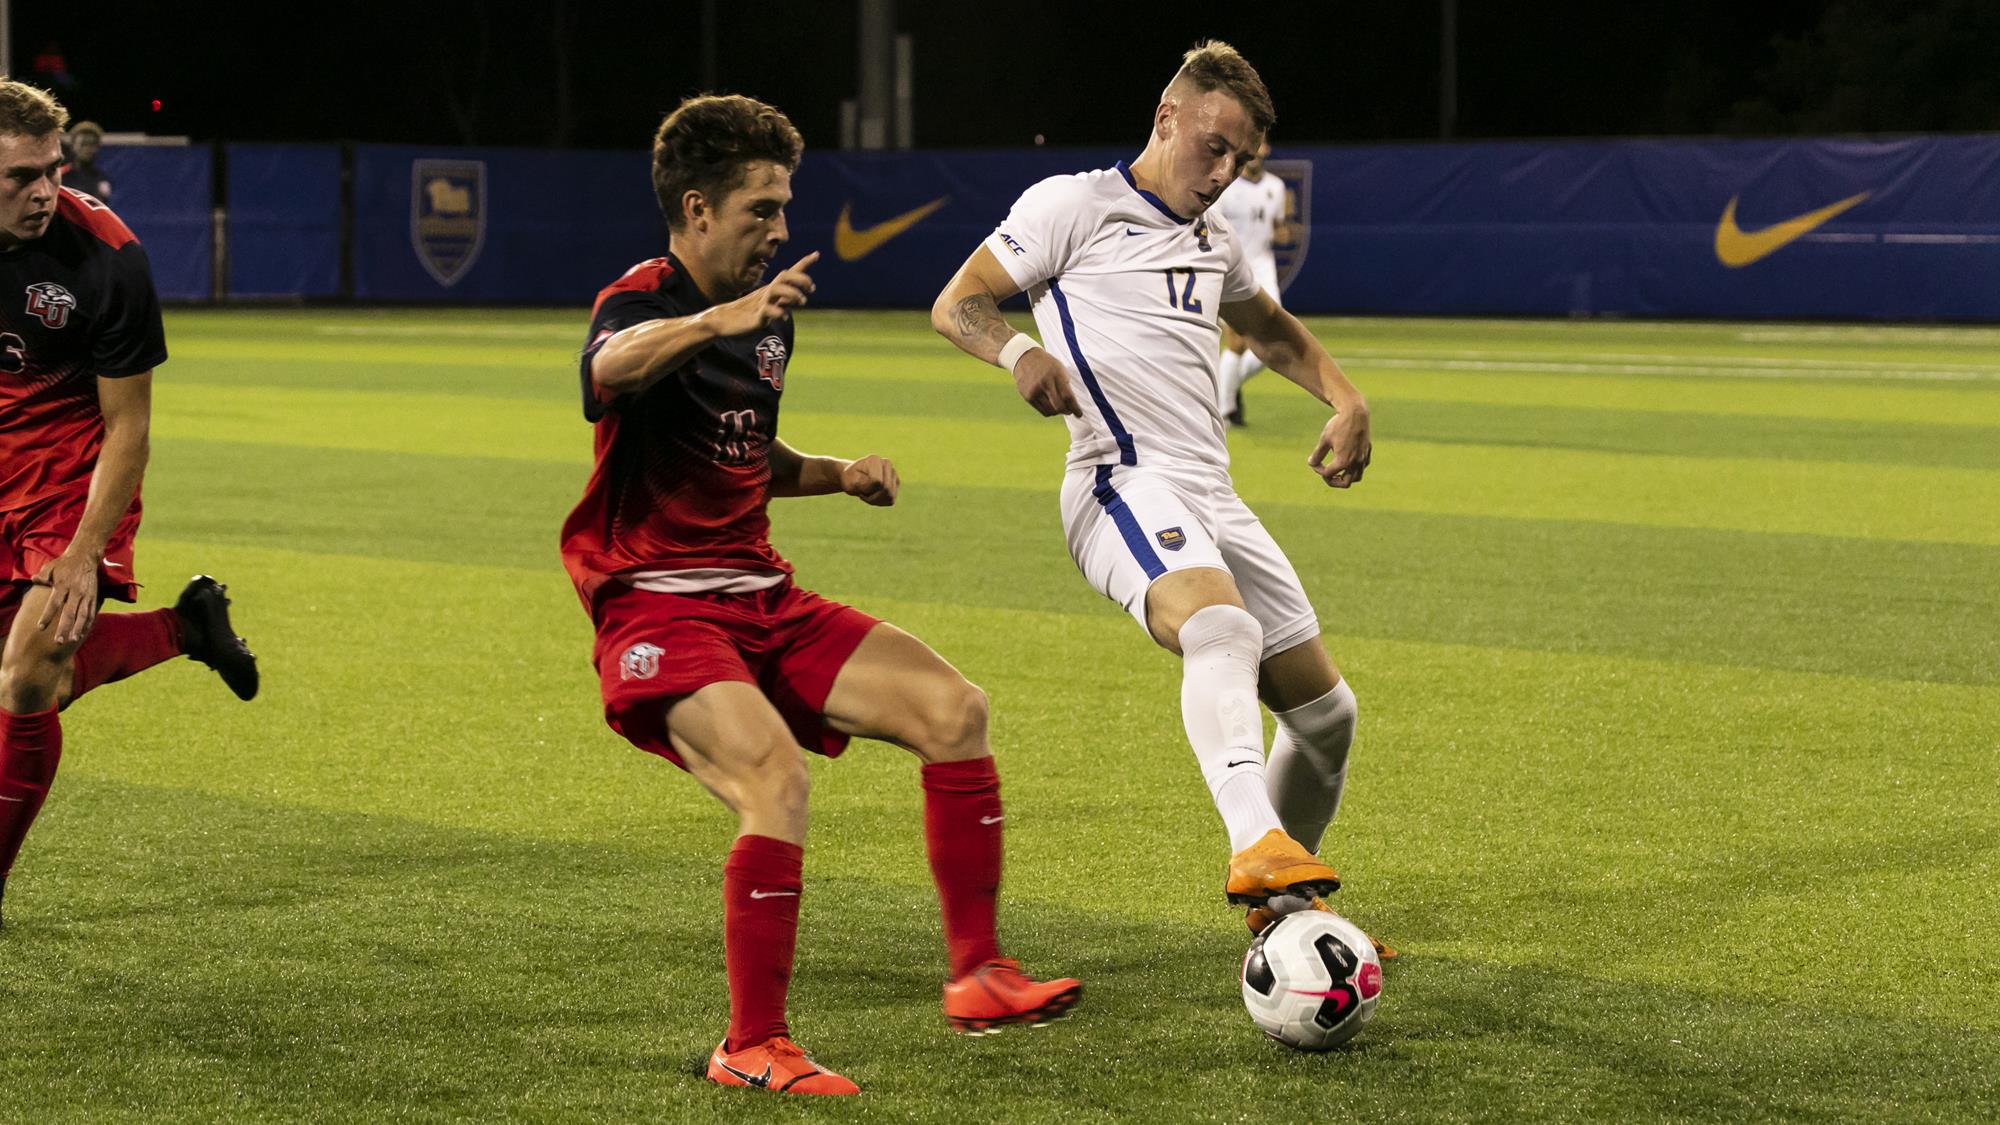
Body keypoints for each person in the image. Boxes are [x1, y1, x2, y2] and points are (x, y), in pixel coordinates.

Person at [561, 93, 1080, 1098]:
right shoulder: (641, 298)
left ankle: (978, 974)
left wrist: (838, 472)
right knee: (776, 781)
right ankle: (750, 1044)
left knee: (954, 710)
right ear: (698, 210)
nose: (781, 227)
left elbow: (744, 453)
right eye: (761, 208)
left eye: (784, 205)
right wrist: (715, 319)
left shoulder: (768, 325)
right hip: (657, 607)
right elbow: (607, 372)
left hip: (761, 597)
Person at [932, 43, 1390, 952]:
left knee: (1325, 719)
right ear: (1167, 116)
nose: (1223, 175)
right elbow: (960, 301)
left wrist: (1347, 397)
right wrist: (1018, 353)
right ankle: (1257, 844)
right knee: (1221, 629)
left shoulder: (1213, 241)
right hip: (1118, 479)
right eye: (1214, 148)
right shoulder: (1074, 205)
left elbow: (1267, 327)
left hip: (1212, 493)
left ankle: (1284, 906)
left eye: (1240, 161)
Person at [0, 81, 258, 928]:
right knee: (31, 672)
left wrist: (82, 553)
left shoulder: (107, 258)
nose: (44, 189)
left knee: (26, 676)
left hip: (70, 477)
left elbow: (129, 428)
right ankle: (187, 627)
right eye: (21, 176)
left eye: (52, 169)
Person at [1211, 139, 1286, 426]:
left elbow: (1277, 226)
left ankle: (1221, 390)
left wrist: (1282, 233)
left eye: (1260, 144)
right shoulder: (1226, 187)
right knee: (1237, 341)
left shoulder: (1276, 187)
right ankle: (1224, 411)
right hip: (1231, 269)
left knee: (1276, 343)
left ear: (1265, 149)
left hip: (1264, 269)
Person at [60, 121, 112, 204]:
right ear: (73, 145)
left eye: (92, 144)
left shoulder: (101, 179)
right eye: (83, 144)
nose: (88, 149)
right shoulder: (61, 176)